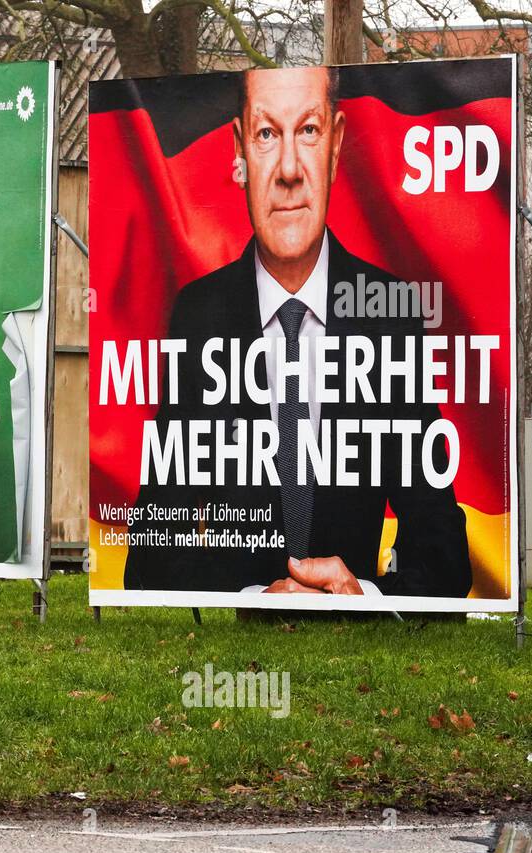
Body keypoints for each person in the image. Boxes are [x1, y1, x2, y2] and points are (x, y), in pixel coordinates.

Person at [124, 66, 472, 598]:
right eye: (266, 134)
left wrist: (362, 597)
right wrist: (251, 595)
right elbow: (149, 556)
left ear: (335, 145)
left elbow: (445, 558)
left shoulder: (390, 317)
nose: (288, 169)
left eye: (307, 131)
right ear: (240, 150)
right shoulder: (198, 317)